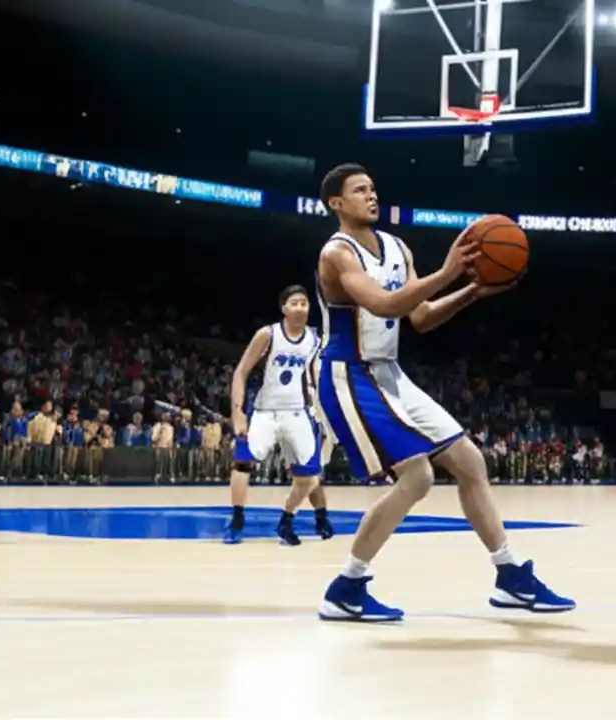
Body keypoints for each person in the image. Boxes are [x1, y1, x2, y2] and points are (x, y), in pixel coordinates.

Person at [311, 163, 573, 622]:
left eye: (373, 188)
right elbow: (383, 303)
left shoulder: (396, 247)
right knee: (419, 479)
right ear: (337, 203)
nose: (371, 195)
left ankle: (510, 575)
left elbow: (421, 316)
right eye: (359, 190)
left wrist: (472, 290)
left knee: (470, 462)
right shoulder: (337, 254)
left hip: (388, 372)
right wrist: (450, 270)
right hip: (348, 374)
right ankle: (347, 586)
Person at [223, 285, 336, 546]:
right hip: (265, 410)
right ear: (283, 308)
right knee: (243, 460)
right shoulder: (268, 334)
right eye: (294, 303)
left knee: (310, 474)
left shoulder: (316, 339)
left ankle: (295, 519)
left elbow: (320, 379)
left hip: (299, 411)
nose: (299, 308)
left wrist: (327, 413)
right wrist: (237, 413)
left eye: (304, 303)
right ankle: (237, 519)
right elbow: (240, 372)